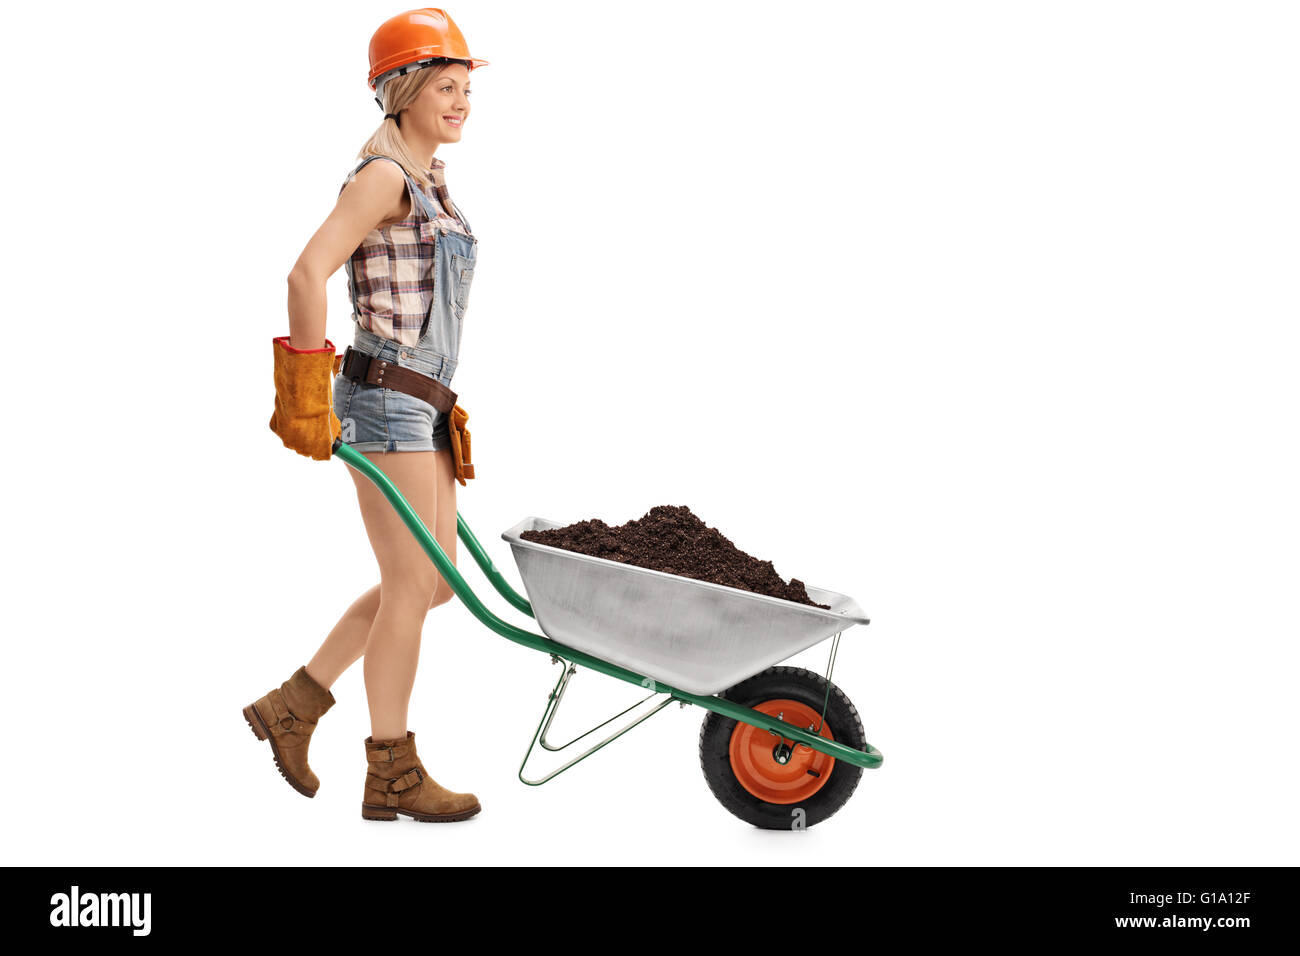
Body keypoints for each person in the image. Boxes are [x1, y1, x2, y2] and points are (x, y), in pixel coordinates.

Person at [248, 8, 488, 823]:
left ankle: (297, 702)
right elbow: (306, 273)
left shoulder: (428, 180)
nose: (461, 102)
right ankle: (391, 771)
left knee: (429, 584)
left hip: (419, 400)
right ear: (405, 90)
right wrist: (306, 395)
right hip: (385, 398)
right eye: (445, 87)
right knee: (413, 583)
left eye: (465, 88)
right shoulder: (382, 178)